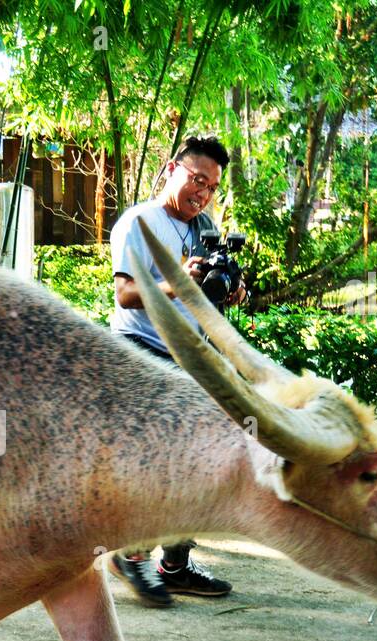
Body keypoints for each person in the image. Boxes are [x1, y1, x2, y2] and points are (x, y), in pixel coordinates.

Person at [105, 135, 242, 607]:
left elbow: (202, 294)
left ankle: (175, 565)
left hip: (189, 354)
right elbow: (125, 294)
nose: (202, 193)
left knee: (212, 453)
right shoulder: (138, 223)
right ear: (171, 170)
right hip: (141, 350)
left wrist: (229, 288)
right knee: (166, 457)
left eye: (212, 186)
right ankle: (134, 557)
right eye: (196, 179)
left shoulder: (206, 225)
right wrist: (178, 282)